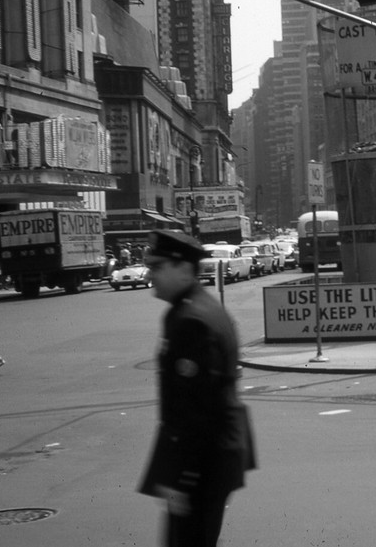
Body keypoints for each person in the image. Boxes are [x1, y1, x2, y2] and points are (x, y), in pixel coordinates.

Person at [138, 230, 256, 547]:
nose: (150, 275)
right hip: (213, 458)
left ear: (184, 269)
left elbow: (198, 410)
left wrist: (182, 478)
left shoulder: (190, 321)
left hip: (202, 465)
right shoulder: (198, 308)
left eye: (158, 266)